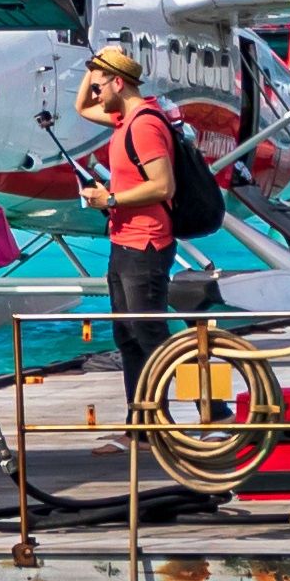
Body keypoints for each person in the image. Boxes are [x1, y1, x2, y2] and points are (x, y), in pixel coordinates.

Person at [74, 47, 184, 404]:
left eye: (99, 87)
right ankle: (140, 420)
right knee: (128, 336)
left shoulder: (145, 124)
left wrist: (111, 199)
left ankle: (210, 405)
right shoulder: (123, 120)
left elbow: (163, 186)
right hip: (124, 243)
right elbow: (81, 108)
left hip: (146, 244)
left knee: (150, 333)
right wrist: (94, 64)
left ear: (118, 83)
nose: (95, 94)